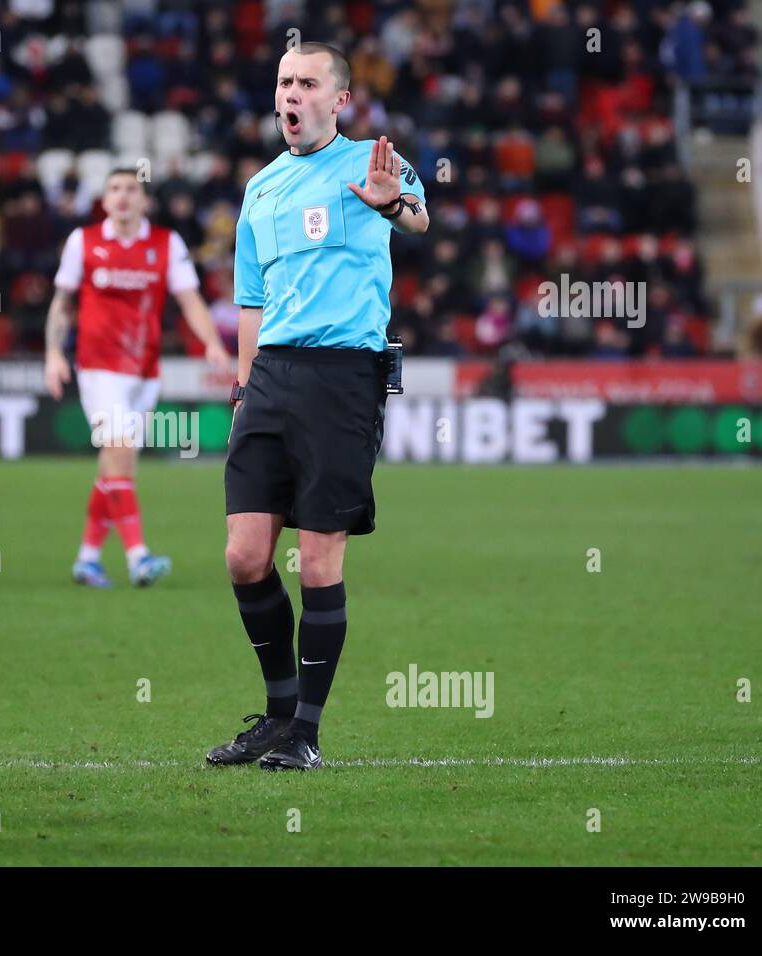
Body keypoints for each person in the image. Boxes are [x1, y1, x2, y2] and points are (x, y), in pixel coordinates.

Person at [210, 42, 428, 771]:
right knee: (245, 557)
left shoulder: (373, 162)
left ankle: (305, 730)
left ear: (338, 100)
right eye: (283, 82)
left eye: (306, 83)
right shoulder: (261, 189)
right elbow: (249, 300)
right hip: (270, 375)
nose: (291, 94)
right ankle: (274, 717)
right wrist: (243, 390)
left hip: (342, 377)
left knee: (318, 561)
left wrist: (390, 201)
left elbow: (420, 220)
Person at [44, 168, 230, 587]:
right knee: (121, 452)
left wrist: (213, 343)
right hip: (97, 367)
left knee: (115, 465)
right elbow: (62, 304)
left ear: (144, 201)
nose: (122, 196)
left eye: (131, 189)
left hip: (144, 371)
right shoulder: (83, 241)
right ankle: (138, 556)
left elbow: (190, 301)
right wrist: (54, 352)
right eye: (114, 189)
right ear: (104, 200)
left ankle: (88, 558)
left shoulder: (166, 243)